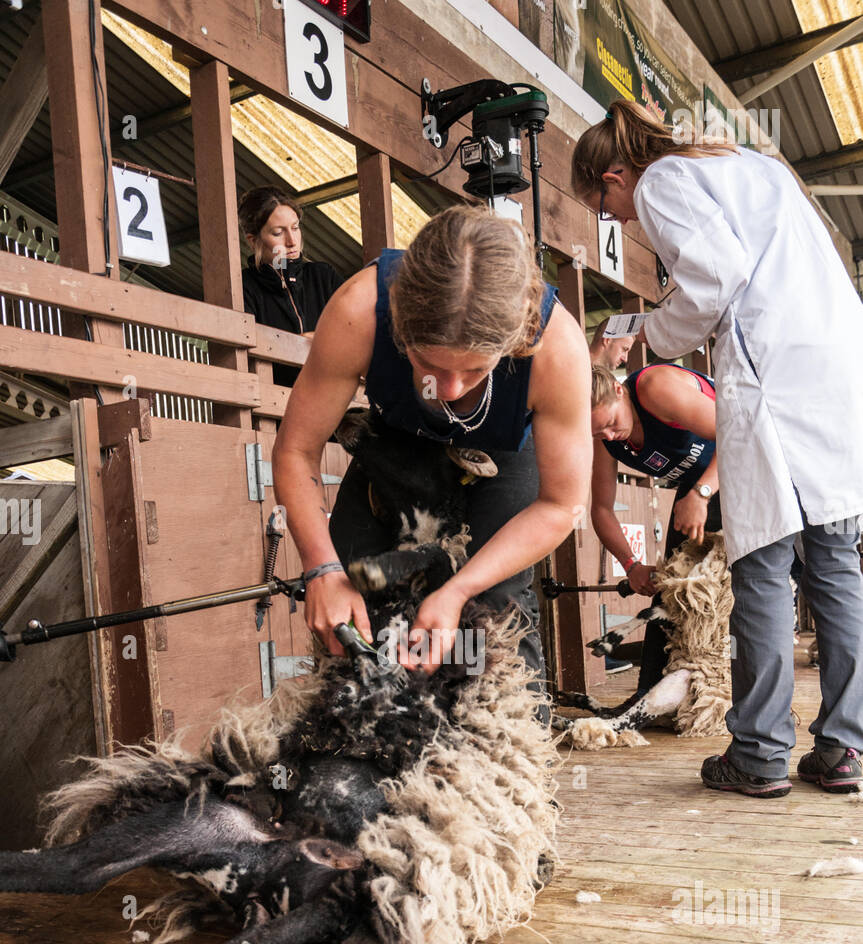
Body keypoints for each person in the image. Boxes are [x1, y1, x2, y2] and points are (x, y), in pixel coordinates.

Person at [572, 100, 863, 796]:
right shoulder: (749, 166)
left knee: (760, 564)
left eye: (607, 204)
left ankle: (760, 752)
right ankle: (845, 747)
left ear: (615, 173)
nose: (621, 218)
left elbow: (712, 276)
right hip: (833, 365)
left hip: (770, 374)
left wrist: (650, 335)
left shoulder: (662, 179)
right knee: (833, 560)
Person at [270, 204, 593, 702]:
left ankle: (505, 756)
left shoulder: (558, 349)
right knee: (357, 583)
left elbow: (562, 505)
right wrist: (321, 569)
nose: (449, 389)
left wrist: (458, 589)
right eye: (429, 363)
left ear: (515, 342)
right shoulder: (360, 310)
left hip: (503, 453)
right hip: (398, 436)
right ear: (399, 318)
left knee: (493, 608)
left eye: (475, 370)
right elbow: (296, 449)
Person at [590, 360, 719, 692]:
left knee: (732, 591)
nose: (607, 435)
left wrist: (701, 494)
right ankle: (654, 697)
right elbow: (602, 509)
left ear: (619, 390)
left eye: (610, 423)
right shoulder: (603, 435)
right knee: (672, 593)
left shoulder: (655, 388)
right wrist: (631, 565)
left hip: (745, 464)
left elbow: (741, 433)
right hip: (696, 487)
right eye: (596, 432)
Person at [238, 186, 343, 385]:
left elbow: (357, 326)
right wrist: (297, 345)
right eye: (278, 233)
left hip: (336, 398)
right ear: (253, 241)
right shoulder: (244, 287)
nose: (292, 241)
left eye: (295, 228)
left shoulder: (323, 276)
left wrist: (321, 337)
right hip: (275, 404)